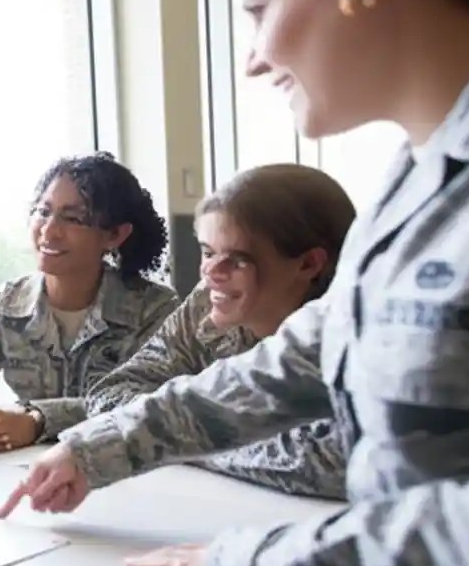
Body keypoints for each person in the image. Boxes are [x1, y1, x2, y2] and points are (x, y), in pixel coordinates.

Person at [0, 0, 469, 566]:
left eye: (258, 9)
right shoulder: (415, 183)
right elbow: (292, 362)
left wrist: (253, 565)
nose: (252, 60)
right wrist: (98, 447)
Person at [86, 163, 354, 499]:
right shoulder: (207, 302)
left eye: (238, 259)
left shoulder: (358, 328)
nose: (211, 272)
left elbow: (335, 460)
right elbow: (111, 394)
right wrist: (192, 434)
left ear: (308, 264)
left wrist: (182, 438)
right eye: (208, 252)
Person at [0, 152, 179, 457]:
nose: (49, 231)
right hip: (34, 476)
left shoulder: (155, 310)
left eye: (73, 218)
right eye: (43, 212)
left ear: (114, 235)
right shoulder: (5, 306)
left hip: (130, 472)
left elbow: (151, 403)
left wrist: (37, 420)